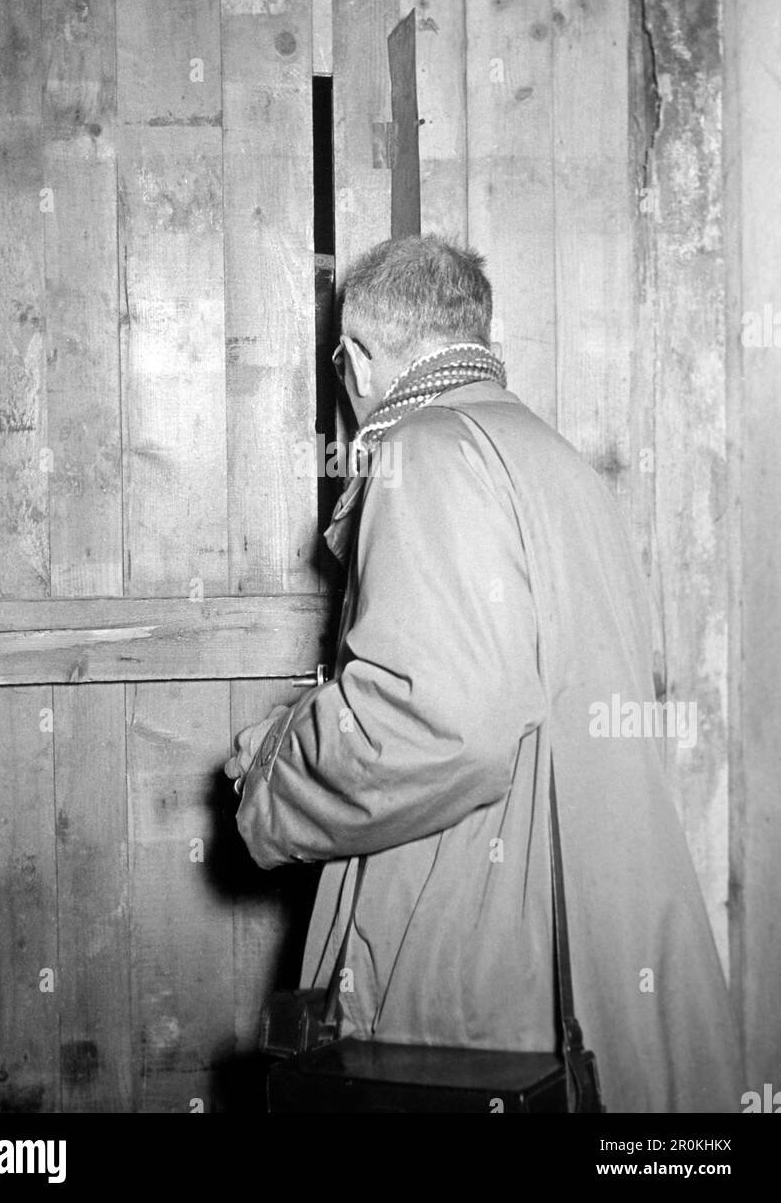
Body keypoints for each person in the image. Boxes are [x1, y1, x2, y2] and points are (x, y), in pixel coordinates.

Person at [226, 233, 742, 1113]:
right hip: (585, 935)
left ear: (356, 360)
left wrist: (275, 764)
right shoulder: (557, 462)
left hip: (477, 954)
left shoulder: (425, 453)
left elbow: (439, 724)